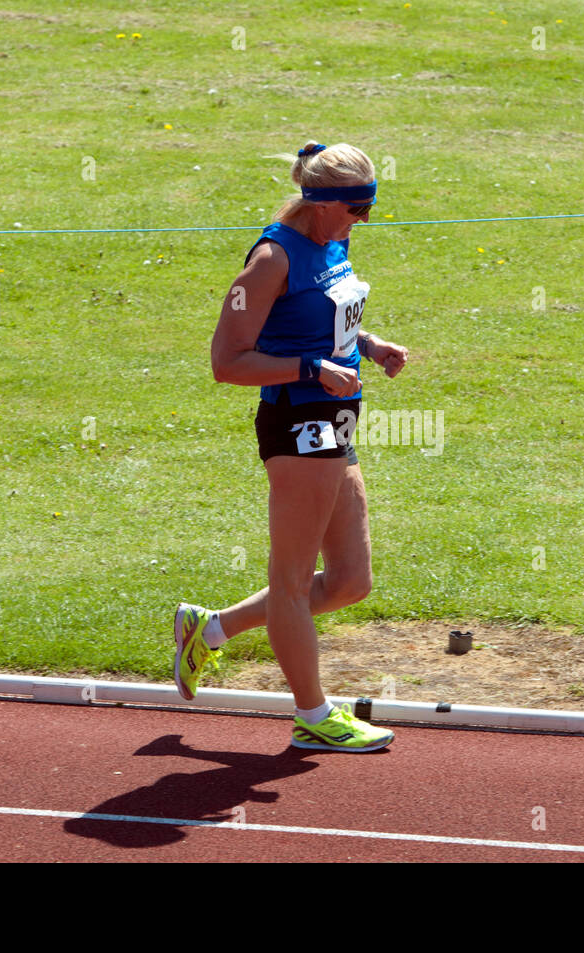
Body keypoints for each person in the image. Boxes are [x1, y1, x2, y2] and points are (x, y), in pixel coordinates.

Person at [174, 140, 409, 752]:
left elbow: (330, 323)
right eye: (357, 209)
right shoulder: (271, 260)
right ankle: (313, 715)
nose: (363, 221)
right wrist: (312, 370)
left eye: (368, 210)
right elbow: (227, 363)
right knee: (293, 582)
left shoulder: (336, 240)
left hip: (338, 418)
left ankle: (211, 629)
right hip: (297, 423)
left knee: (352, 581)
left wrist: (371, 347)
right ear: (322, 201)